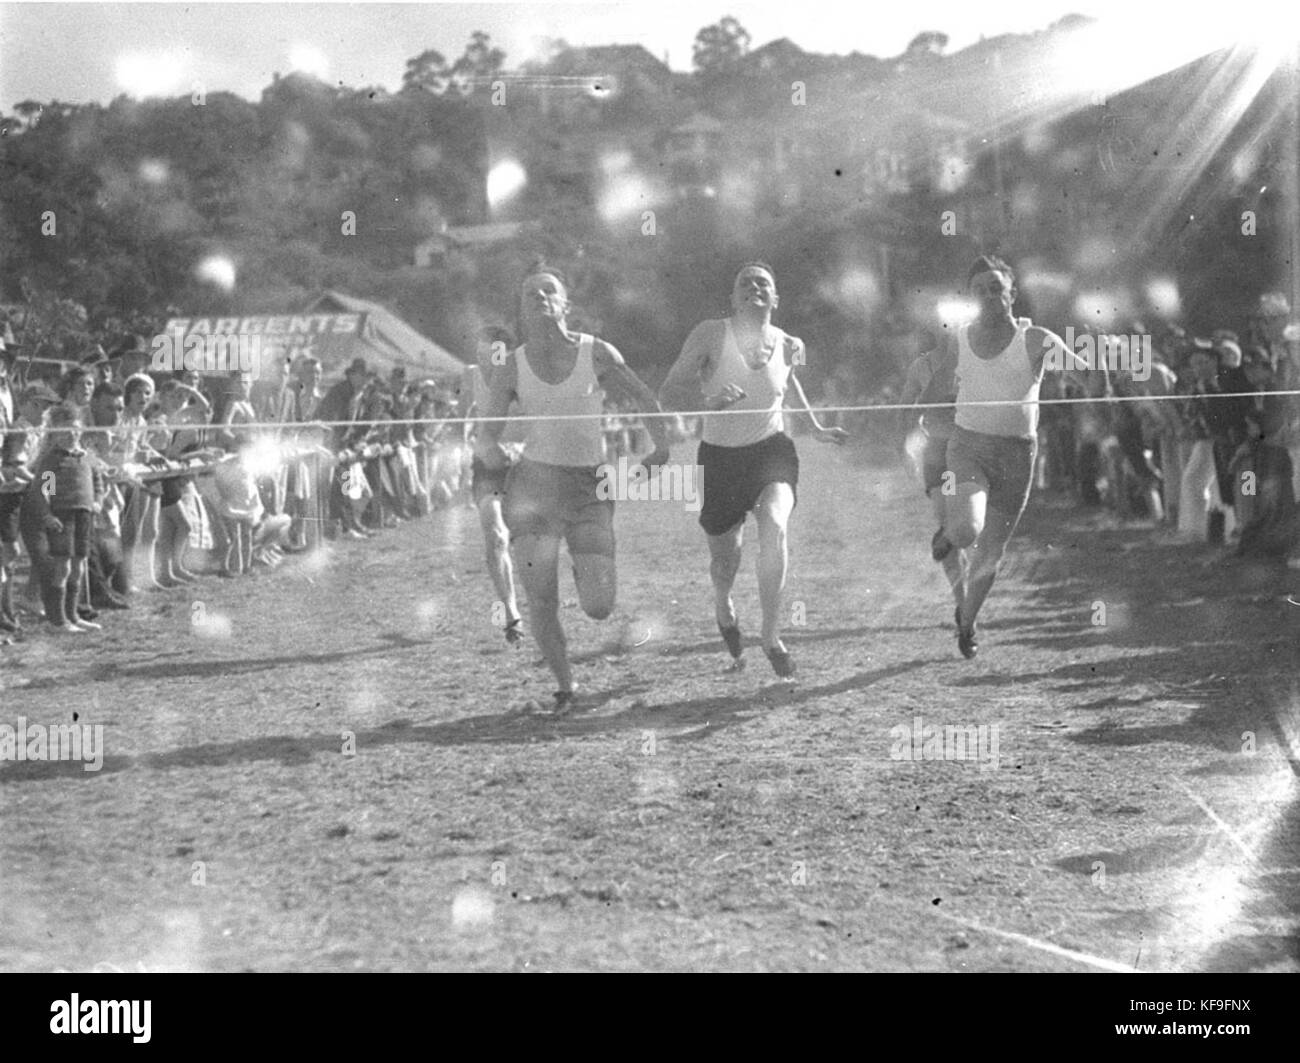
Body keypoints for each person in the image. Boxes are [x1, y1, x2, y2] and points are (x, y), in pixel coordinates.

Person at [475, 266, 670, 708]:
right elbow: (487, 432)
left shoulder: (597, 352)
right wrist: (490, 450)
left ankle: (585, 569)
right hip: (533, 488)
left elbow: (644, 396)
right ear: (522, 311)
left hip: (589, 485)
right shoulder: (512, 367)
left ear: (566, 305)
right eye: (531, 295)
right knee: (540, 598)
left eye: (549, 292)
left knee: (599, 605)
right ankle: (566, 688)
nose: (541, 298)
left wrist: (661, 445)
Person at [659, 261, 847, 676]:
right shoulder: (710, 333)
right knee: (725, 562)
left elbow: (787, 385)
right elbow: (670, 389)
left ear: (775, 299)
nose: (754, 287)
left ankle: (771, 634)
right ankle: (723, 606)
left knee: (776, 526)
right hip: (720, 458)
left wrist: (814, 427)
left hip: (771, 452)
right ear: (733, 298)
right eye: (744, 282)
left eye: (764, 283)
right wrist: (709, 403)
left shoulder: (786, 343)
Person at [928, 255, 1071, 658]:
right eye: (980, 290)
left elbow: (1078, 371)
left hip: (1018, 454)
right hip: (970, 446)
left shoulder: (1036, 339)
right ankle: (949, 535)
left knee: (991, 553)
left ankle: (967, 623)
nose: (989, 295)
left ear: (1011, 293)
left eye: (996, 287)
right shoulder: (959, 338)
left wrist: (1103, 364)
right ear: (972, 298)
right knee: (969, 531)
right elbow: (938, 387)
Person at [22, 405, 105, 633]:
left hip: (84, 515)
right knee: (63, 567)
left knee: (79, 565)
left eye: (76, 429)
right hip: (62, 516)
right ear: (55, 433)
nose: (71, 435)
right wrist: (47, 515)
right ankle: (58, 620)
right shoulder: (53, 459)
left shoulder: (87, 457)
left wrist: (98, 501)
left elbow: (97, 481)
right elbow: (44, 490)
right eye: (65, 430)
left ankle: (73, 615)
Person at [466, 326, 525, 645]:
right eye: (480, 354)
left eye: (493, 354)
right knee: (495, 533)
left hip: (524, 464)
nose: (486, 361)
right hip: (487, 466)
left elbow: (540, 424)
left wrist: (519, 448)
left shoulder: (523, 377)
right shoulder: (472, 376)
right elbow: (461, 416)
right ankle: (511, 612)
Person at [899, 337, 964, 609]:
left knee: (964, 527)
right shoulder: (921, 367)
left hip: (973, 450)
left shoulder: (979, 362)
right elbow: (905, 409)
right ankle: (962, 602)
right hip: (940, 453)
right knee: (949, 522)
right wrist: (904, 446)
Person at [0, 381, 60, 635]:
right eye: (40, 406)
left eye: (46, 408)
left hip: (23, 494)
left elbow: (43, 466)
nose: (44, 413)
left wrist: (50, 491)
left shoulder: (39, 431)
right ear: (27, 404)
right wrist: (38, 484)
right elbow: (15, 467)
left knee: (31, 547)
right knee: (10, 551)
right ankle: (7, 606)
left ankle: (17, 603)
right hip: (7, 496)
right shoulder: (20, 430)